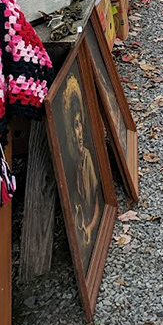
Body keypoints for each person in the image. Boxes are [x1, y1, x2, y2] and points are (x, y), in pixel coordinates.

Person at [64, 75, 100, 258]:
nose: (78, 132)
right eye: (74, 125)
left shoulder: (86, 158)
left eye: (80, 124)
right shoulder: (68, 159)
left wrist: (90, 227)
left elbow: (96, 201)